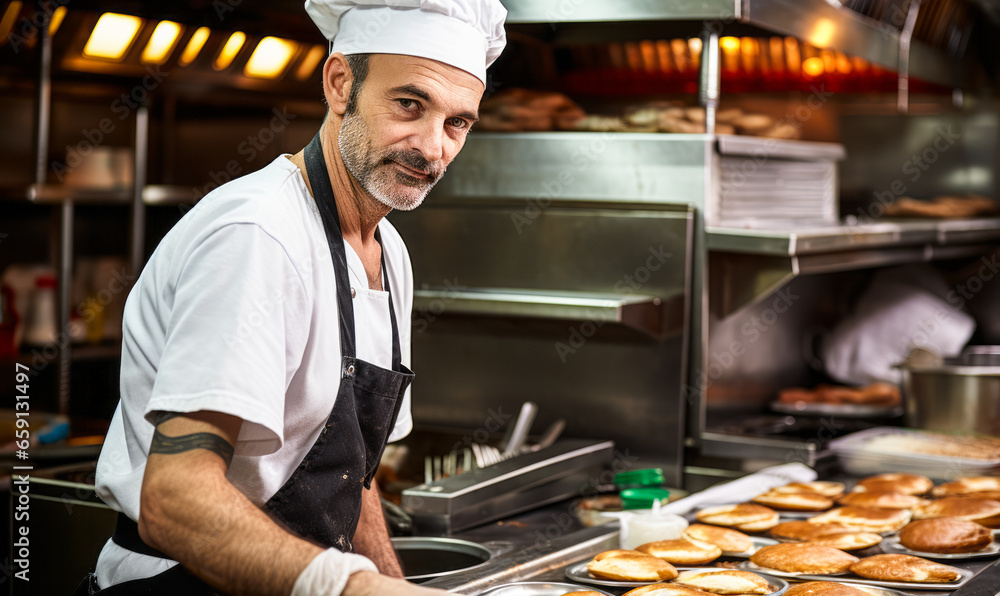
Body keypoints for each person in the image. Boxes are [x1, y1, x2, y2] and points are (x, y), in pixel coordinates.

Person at [76, 1, 507, 594]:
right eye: (409, 105)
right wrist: (352, 588)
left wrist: (393, 583)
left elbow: (350, 477)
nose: (432, 149)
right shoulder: (259, 235)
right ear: (339, 84)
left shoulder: (390, 254)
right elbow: (174, 501)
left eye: (458, 123)